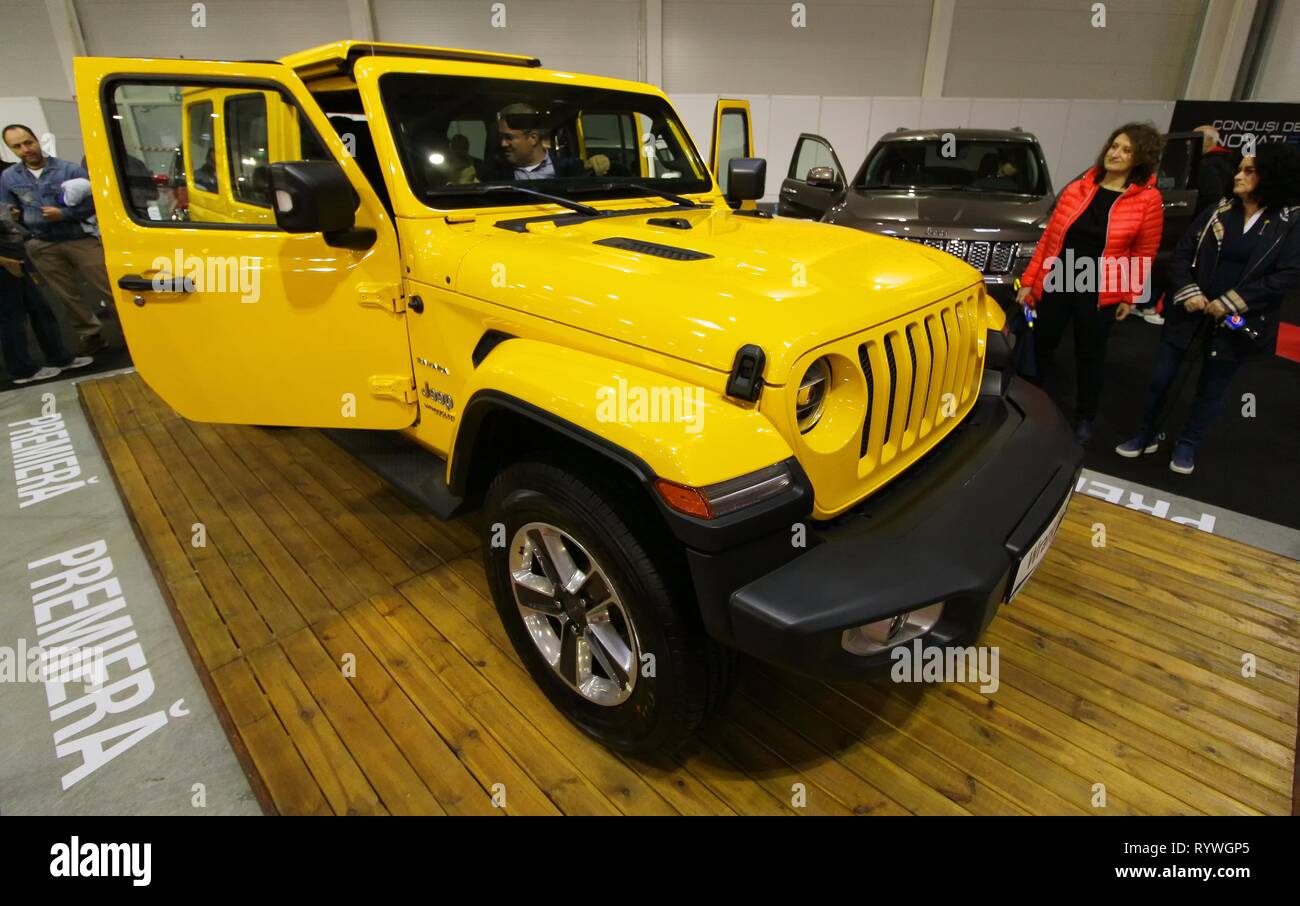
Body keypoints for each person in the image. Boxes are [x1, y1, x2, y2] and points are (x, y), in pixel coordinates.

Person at [1115, 143, 1300, 475]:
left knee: (1212, 388)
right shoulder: (1218, 210)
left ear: (1270, 177)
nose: (1238, 176)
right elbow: (1183, 253)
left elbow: (1288, 274)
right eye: (1240, 169)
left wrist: (1230, 302)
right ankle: (1148, 432)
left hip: (1238, 321)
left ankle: (1187, 444)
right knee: (1162, 378)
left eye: (1248, 171)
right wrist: (1189, 291)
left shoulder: (1287, 223)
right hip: (1190, 312)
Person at [1016, 122, 1165, 444]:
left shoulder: (1147, 200)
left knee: (1090, 355)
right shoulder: (1079, 188)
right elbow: (1048, 240)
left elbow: (1144, 251)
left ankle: (1084, 417)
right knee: (1040, 346)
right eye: (1114, 146)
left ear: (1140, 158)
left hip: (1099, 287)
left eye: (1127, 150)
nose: (1116, 153)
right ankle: (1027, 407)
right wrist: (1029, 281)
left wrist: (1130, 294)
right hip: (1059, 277)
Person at [1, 124, 114, 356]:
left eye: (28, 142)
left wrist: (63, 213)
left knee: (109, 286)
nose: (25, 149)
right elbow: (6, 206)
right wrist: (15, 218)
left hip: (79, 238)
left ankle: (131, 329)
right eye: (17, 146)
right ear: (10, 150)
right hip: (41, 243)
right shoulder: (9, 177)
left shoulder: (68, 170)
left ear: (37, 140)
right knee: (66, 294)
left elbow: (95, 204)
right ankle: (91, 334)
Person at [0, 195, 92, 384]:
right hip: (5, 262)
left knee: (41, 310)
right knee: (12, 318)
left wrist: (11, 214)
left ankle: (59, 357)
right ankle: (21, 370)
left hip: (15, 254)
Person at [495, 104, 609, 180]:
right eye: (501, 137)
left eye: (508, 138)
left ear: (533, 138)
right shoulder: (493, 174)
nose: (503, 143)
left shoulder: (573, 168)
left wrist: (600, 165)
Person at [1192, 125, 1237, 215]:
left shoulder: (1207, 163)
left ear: (1209, 141)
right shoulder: (1229, 159)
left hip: (1209, 214)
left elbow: (1214, 195)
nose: (1191, 143)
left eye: (1195, 139)